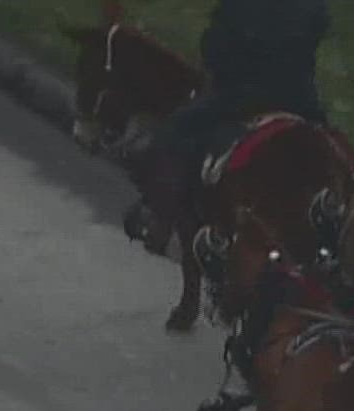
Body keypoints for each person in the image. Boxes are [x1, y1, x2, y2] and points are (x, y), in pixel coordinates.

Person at [125, 0, 332, 254]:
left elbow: (217, 45)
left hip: (245, 95)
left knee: (177, 131)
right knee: (330, 146)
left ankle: (162, 219)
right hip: (302, 100)